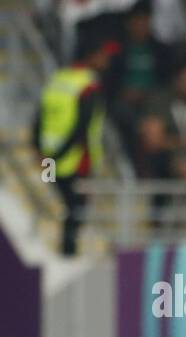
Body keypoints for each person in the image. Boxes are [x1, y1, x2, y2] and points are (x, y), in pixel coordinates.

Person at [37, 36, 115, 255]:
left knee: (68, 206)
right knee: (76, 208)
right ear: (92, 56)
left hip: (50, 156)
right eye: (104, 54)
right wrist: (59, 154)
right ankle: (68, 252)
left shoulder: (58, 78)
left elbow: (40, 116)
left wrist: (44, 151)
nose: (108, 59)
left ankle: (66, 251)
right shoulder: (89, 86)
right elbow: (82, 126)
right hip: (76, 158)